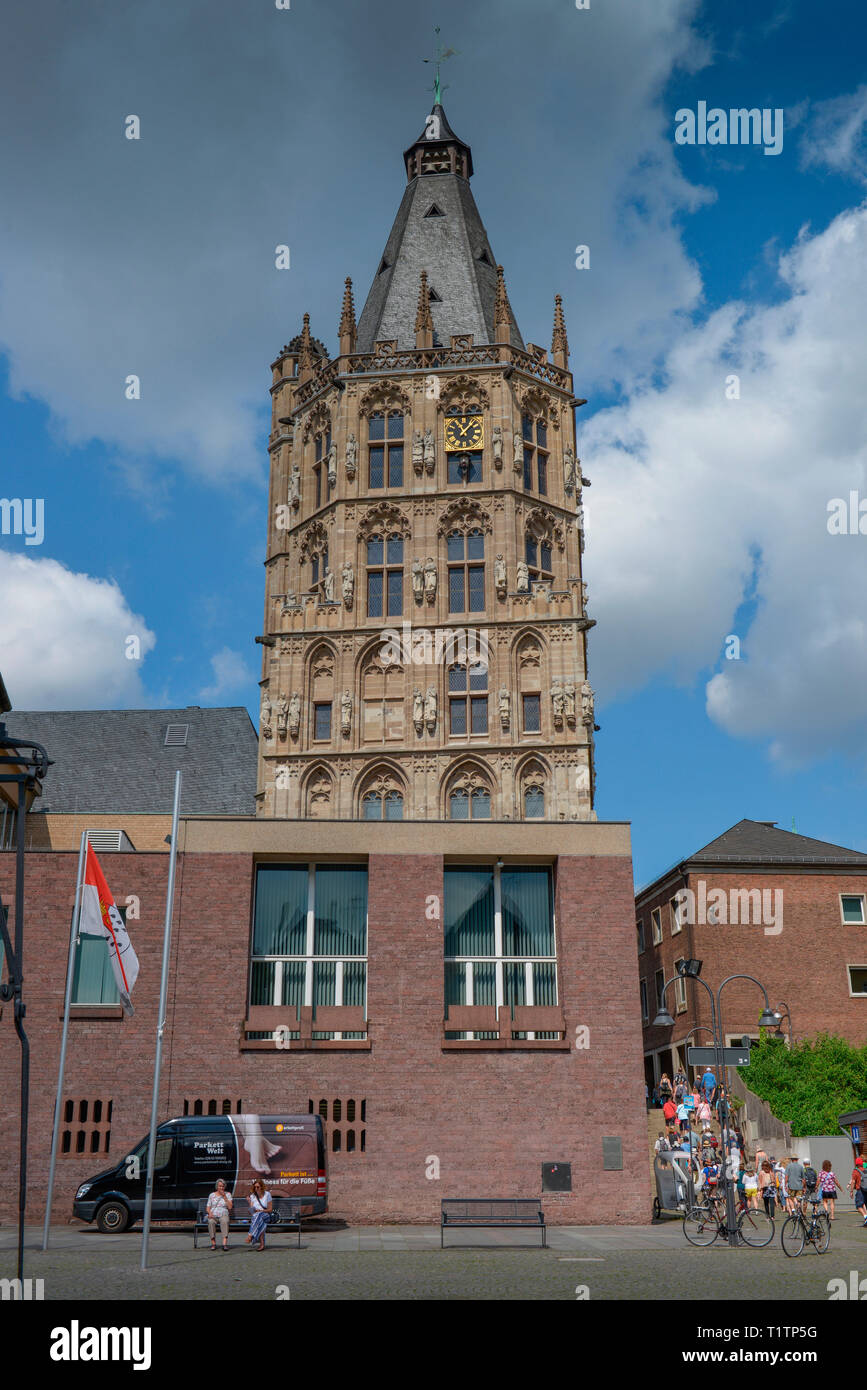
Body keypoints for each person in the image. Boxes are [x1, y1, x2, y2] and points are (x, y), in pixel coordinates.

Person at [206, 1178, 233, 1252]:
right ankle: (213, 1244)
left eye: (223, 1186)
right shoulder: (212, 1195)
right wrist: (210, 1213)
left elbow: (230, 1207)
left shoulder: (228, 1194)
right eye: (220, 1186)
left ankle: (224, 1244)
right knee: (211, 1222)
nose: (221, 1188)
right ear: (217, 1186)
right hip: (213, 1215)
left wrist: (224, 1197)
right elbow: (208, 1207)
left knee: (225, 1221)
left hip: (223, 1214)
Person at [247, 1178, 272, 1251]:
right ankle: (262, 1244)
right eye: (255, 1187)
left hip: (266, 1215)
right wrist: (249, 1202)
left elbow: (270, 1209)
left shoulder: (267, 1194)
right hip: (256, 1217)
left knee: (259, 1215)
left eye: (258, 1187)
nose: (256, 1188)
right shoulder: (252, 1196)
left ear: (262, 1187)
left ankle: (251, 1234)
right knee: (259, 1219)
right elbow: (251, 1212)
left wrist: (261, 1210)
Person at [848, 1155, 867, 1226]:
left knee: (859, 1206)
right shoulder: (865, 1170)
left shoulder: (855, 1171)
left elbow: (853, 1181)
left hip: (860, 1190)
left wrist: (851, 1191)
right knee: (863, 1204)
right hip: (866, 1190)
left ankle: (866, 1217)